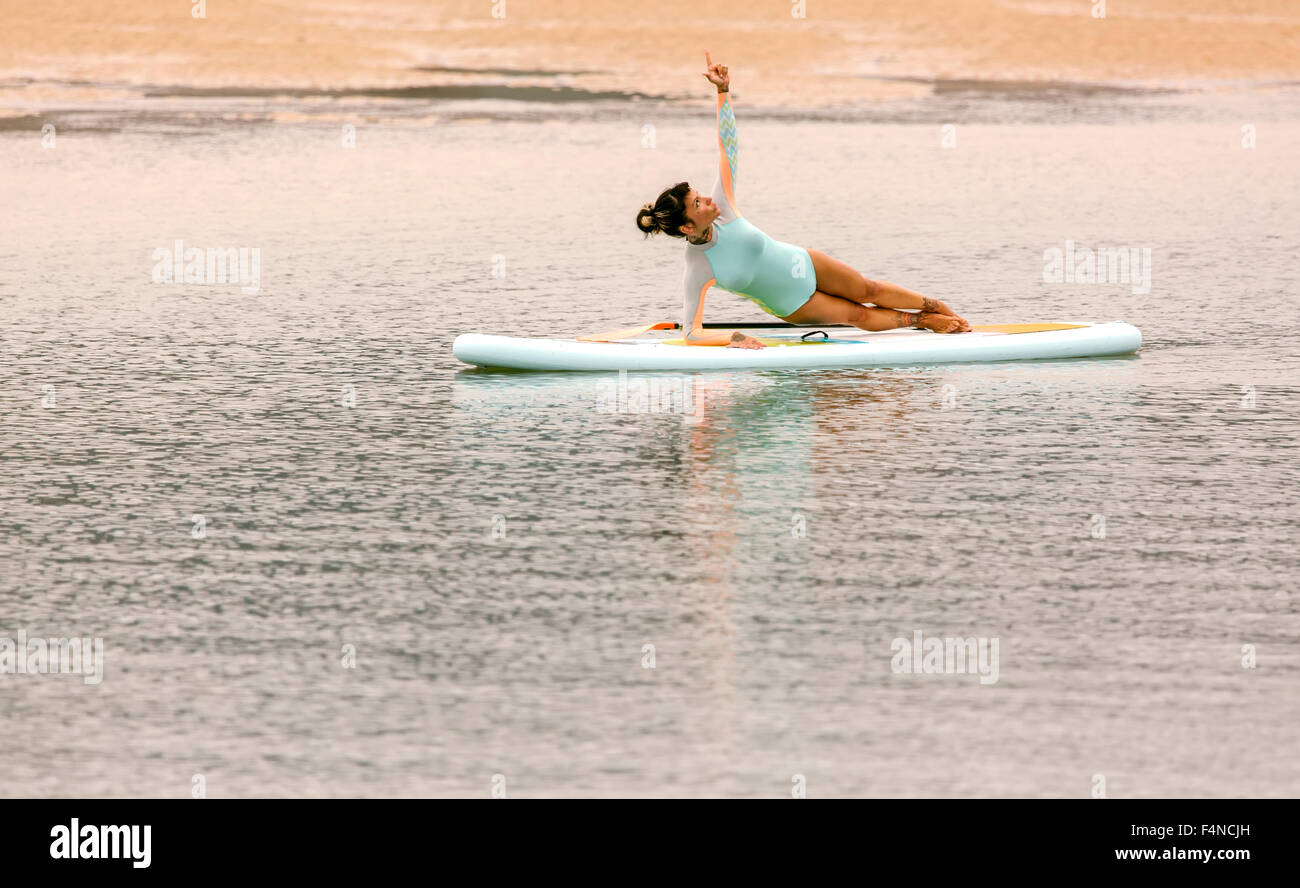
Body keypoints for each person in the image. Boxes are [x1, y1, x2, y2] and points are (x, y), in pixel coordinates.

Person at [636, 53, 972, 349]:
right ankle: (922, 322)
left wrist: (723, 93)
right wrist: (733, 338)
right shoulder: (698, 268)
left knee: (868, 289)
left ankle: (933, 304)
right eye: (698, 204)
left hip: (804, 261)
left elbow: (728, 148)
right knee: (857, 314)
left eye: (699, 194)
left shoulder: (722, 206)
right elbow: (692, 334)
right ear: (687, 226)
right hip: (794, 302)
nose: (707, 199)